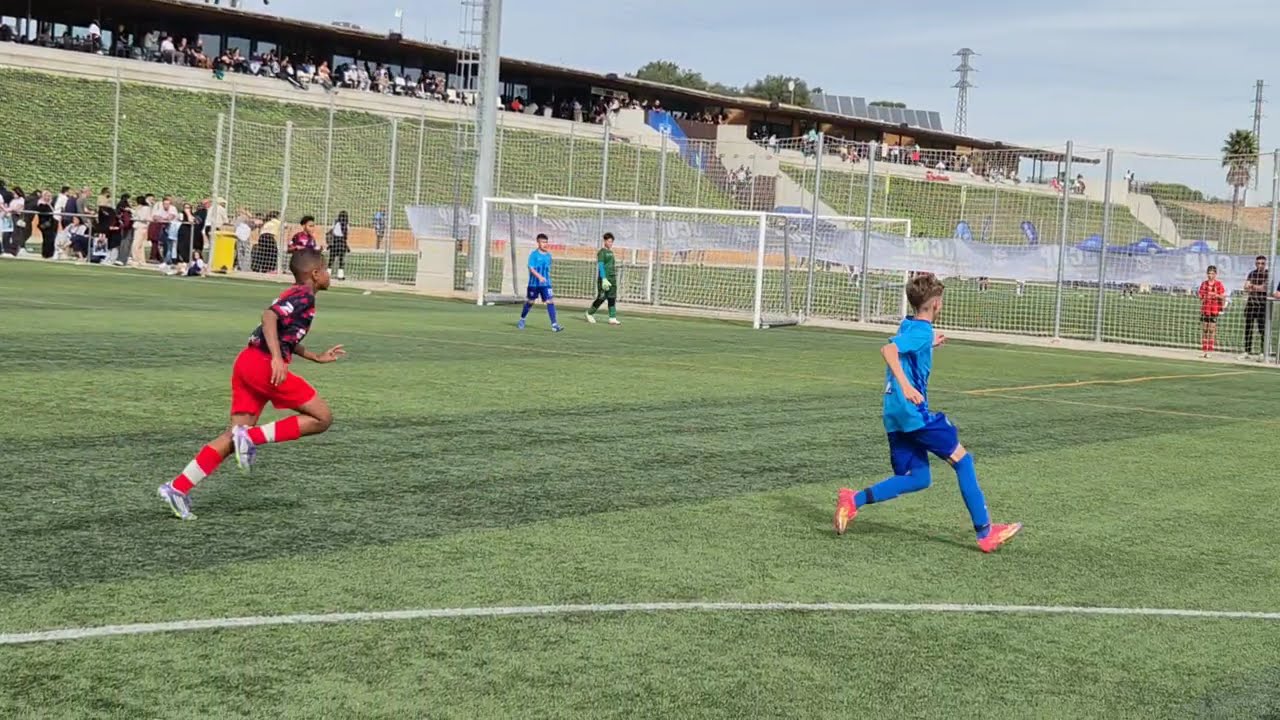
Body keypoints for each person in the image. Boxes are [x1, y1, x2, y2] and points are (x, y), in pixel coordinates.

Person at [834, 274, 1022, 553]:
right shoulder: (921, 332)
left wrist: (928, 345)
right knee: (963, 461)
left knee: (918, 477)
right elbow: (888, 350)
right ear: (936, 304)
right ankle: (985, 532)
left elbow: (904, 344)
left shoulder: (910, 326)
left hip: (894, 413)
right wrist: (908, 386)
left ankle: (853, 501)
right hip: (913, 413)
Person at [158, 249, 345, 520]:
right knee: (322, 418)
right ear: (315, 274)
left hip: (247, 361)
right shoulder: (303, 295)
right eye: (326, 269)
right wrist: (278, 359)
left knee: (231, 436)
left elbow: (284, 333)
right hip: (263, 365)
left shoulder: (298, 294)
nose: (329, 274)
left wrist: (315, 356)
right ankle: (251, 437)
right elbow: (269, 317)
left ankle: (177, 488)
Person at [517, 233, 563, 332]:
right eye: (542, 242)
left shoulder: (549, 256)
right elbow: (531, 268)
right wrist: (539, 276)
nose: (545, 244)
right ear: (538, 243)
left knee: (550, 301)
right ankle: (522, 319)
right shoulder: (533, 255)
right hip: (534, 284)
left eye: (546, 242)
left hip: (546, 284)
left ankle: (554, 325)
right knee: (530, 301)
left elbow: (547, 269)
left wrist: (545, 278)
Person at [586, 232, 621, 325]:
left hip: (612, 278)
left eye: (611, 242)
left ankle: (612, 317)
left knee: (612, 297)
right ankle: (589, 313)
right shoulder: (602, 252)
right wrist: (604, 278)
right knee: (602, 297)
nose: (610, 243)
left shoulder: (611, 252)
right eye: (609, 241)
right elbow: (601, 265)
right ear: (605, 241)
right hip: (605, 278)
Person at [1241, 256, 1270, 360]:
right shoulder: (1252, 273)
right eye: (1258, 263)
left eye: (1262, 263)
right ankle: (1247, 351)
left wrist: (1252, 287)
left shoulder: (1268, 274)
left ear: (1265, 264)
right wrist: (1254, 287)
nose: (1260, 265)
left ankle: (1263, 352)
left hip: (1262, 305)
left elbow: (1264, 288)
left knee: (1262, 329)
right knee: (1248, 328)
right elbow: (1245, 286)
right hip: (1251, 304)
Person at [1198, 265, 1227, 358]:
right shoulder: (1204, 284)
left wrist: (1216, 295)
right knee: (1205, 328)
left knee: (1212, 329)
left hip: (1214, 309)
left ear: (1215, 274)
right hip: (1205, 308)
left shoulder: (1218, 284)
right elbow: (1200, 295)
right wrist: (1204, 296)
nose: (1210, 275)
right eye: (1209, 273)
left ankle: (1210, 349)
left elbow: (1223, 296)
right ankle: (1204, 349)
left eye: (1212, 273)